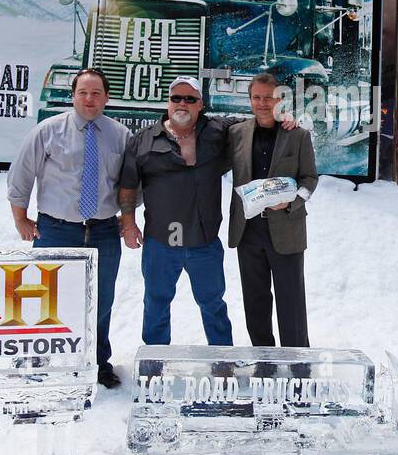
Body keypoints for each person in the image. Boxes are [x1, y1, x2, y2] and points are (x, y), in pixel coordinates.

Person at [118, 76, 293, 346]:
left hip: (204, 242)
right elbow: (128, 186)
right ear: (168, 102)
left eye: (190, 99)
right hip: (161, 242)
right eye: (176, 98)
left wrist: (284, 118)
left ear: (200, 104)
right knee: (156, 302)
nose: (182, 103)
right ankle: (155, 360)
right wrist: (128, 224)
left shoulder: (219, 130)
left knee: (213, 304)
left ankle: (222, 360)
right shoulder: (144, 140)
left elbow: (258, 122)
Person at [7, 68, 130, 389]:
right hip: (57, 229)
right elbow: (21, 174)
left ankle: (98, 362)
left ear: (106, 97)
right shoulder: (48, 131)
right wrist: (20, 217)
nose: (89, 99)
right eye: (83, 92)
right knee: (47, 298)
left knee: (101, 301)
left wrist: (127, 214)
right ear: (73, 95)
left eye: (96, 93)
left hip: (103, 231)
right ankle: (40, 361)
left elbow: (133, 181)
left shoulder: (120, 135)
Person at [228, 73, 318, 347]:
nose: (262, 103)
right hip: (248, 230)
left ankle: (298, 370)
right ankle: (263, 362)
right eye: (257, 97)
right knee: (255, 302)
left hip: (286, 229)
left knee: (291, 303)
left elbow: (310, 179)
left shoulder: (298, 134)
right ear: (250, 100)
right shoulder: (236, 133)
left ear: (280, 100)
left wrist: (292, 202)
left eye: (269, 97)